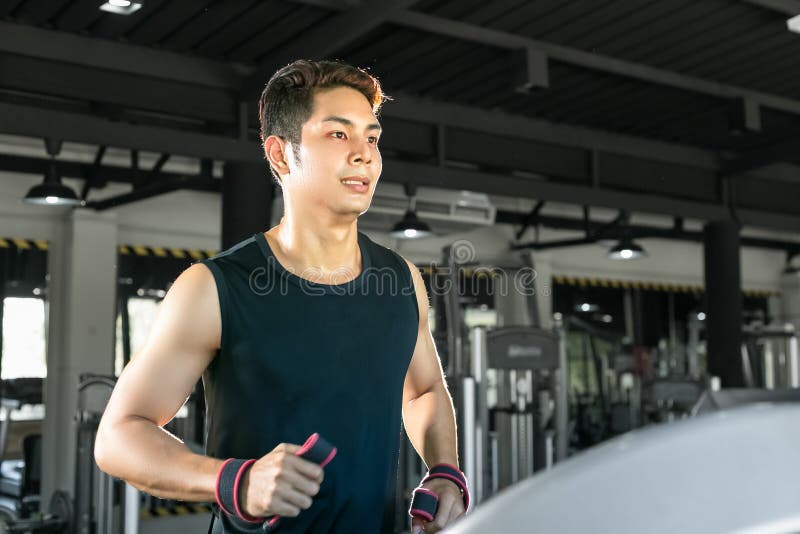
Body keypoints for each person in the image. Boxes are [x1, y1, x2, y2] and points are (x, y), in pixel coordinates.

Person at [94, 59, 466, 534]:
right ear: (281, 154)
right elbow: (119, 435)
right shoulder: (214, 287)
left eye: (372, 138)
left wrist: (444, 471)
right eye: (338, 134)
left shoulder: (401, 280)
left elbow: (425, 390)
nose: (364, 155)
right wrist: (235, 481)